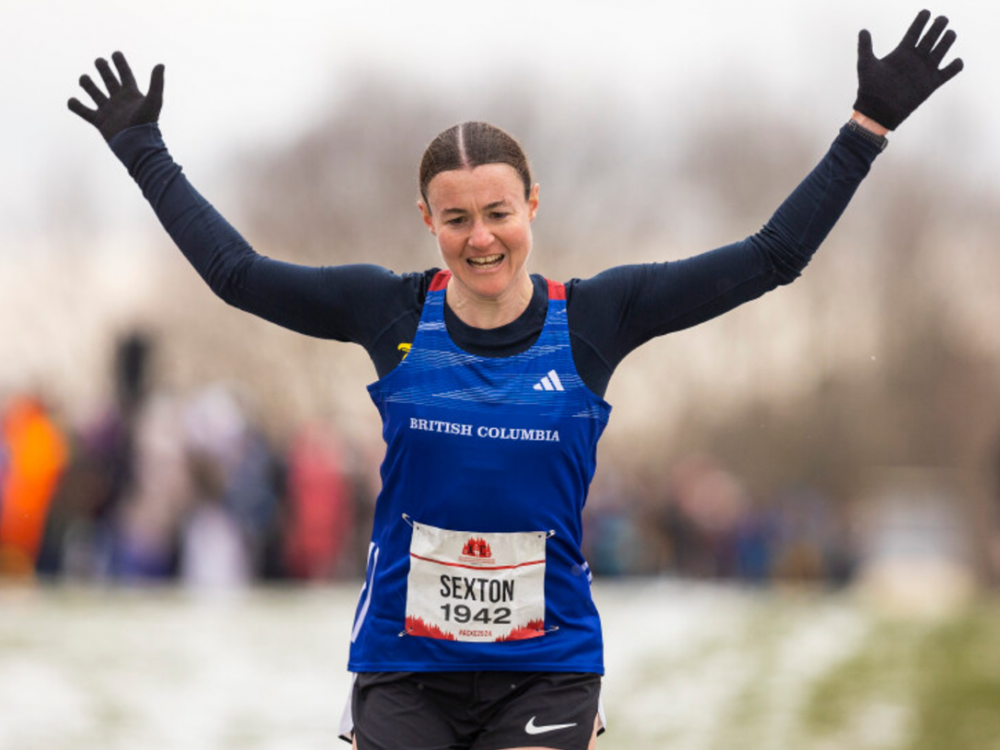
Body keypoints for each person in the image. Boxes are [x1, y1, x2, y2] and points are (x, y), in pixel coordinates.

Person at [68, 10, 962, 750]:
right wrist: (145, 151)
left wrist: (865, 131)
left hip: (548, 667)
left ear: (532, 205)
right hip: (405, 668)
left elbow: (772, 256)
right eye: (456, 219)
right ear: (428, 220)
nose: (480, 237)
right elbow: (238, 274)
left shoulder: (600, 317)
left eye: (498, 212)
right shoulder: (388, 314)